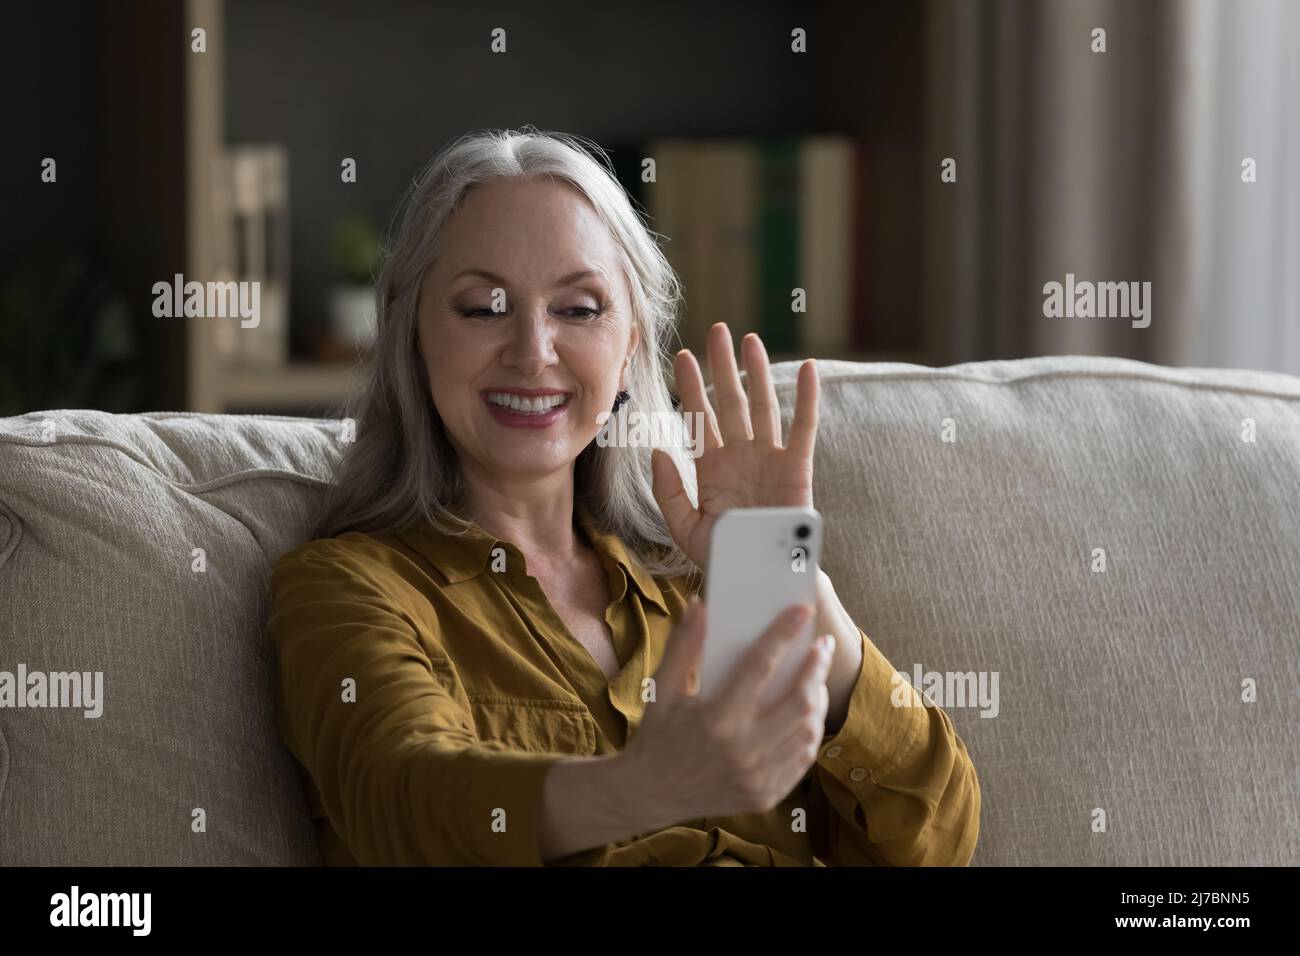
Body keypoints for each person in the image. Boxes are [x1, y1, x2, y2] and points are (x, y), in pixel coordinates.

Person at [267, 127, 980, 866]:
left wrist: (790, 583)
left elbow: (939, 839)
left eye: (578, 310)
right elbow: (403, 803)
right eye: (482, 307)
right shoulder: (345, 588)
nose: (533, 352)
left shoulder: (703, 581)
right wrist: (639, 787)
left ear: (631, 340)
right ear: (411, 331)